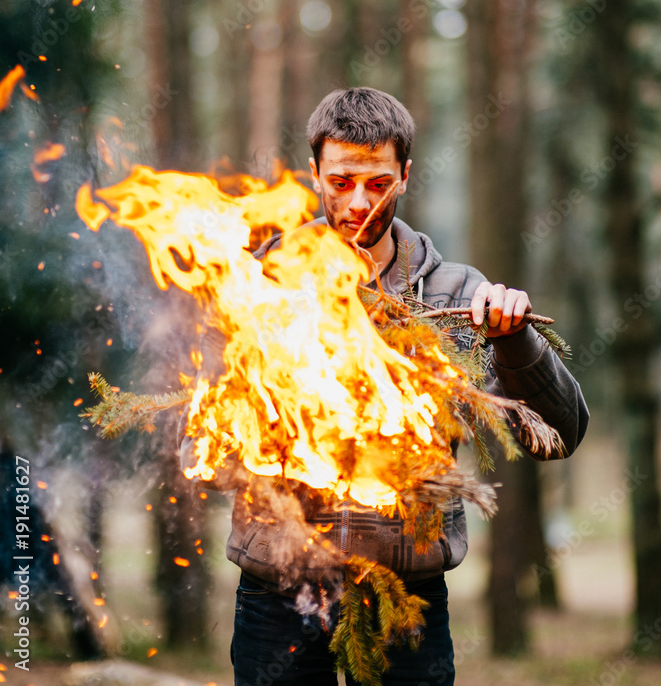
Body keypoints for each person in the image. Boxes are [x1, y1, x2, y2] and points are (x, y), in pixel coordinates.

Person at [180, 87, 589, 686]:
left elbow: (561, 436)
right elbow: (201, 448)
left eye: (378, 183)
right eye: (342, 181)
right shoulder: (258, 286)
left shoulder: (456, 296)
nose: (360, 202)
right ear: (316, 173)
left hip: (409, 599)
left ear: (405, 176)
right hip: (280, 595)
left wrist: (513, 340)